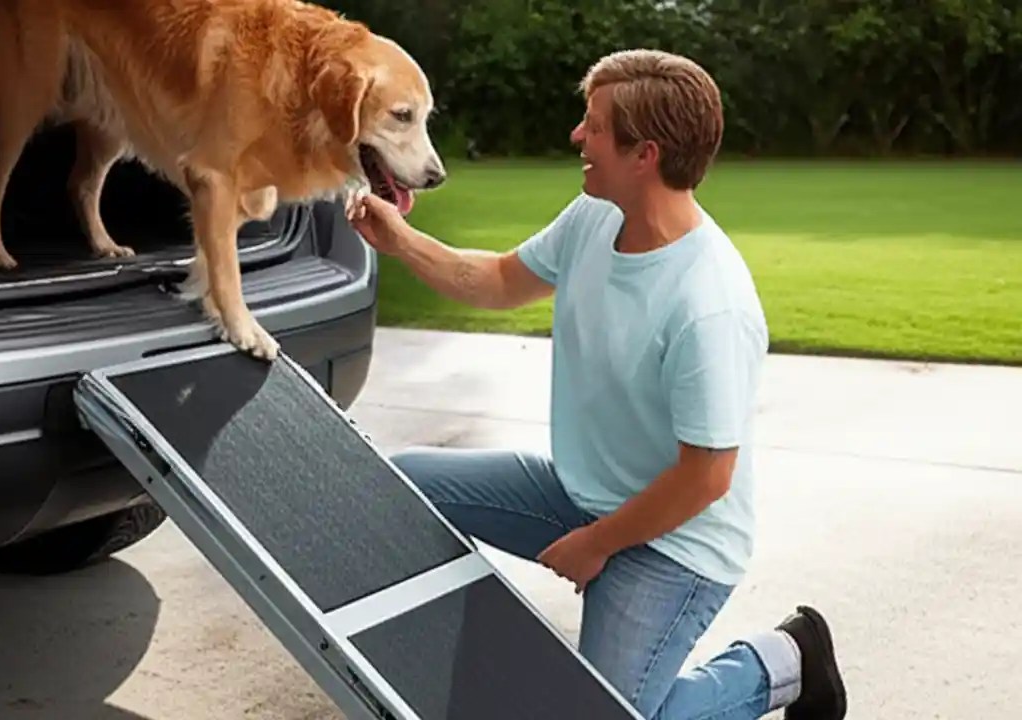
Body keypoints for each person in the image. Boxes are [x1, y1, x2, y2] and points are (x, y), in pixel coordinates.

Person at [346, 49, 848, 720]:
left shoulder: (708, 303)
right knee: (394, 484)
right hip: (580, 493)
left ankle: (783, 663)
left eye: (595, 126)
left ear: (646, 153)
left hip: (676, 545)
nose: (577, 137)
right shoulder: (596, 217)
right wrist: (402, 240)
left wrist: (598, 543)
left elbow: (707, 478)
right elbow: (499, 278)